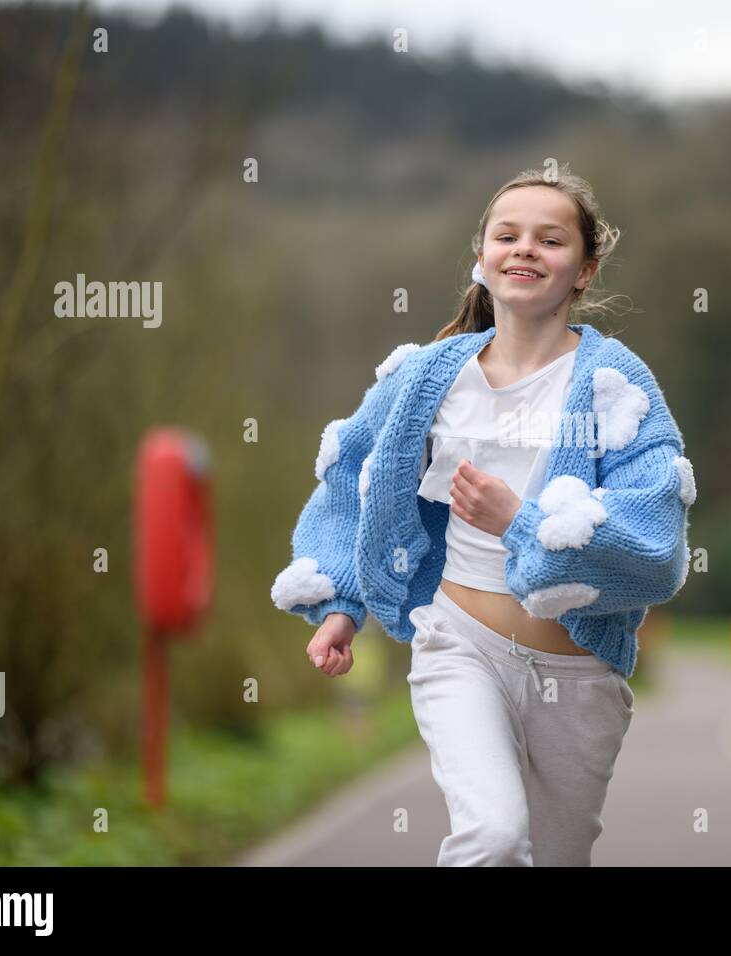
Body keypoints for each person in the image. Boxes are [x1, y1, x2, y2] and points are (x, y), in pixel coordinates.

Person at [271, 166, 697, 865]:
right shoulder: (428, 377)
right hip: (459, 646)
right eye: (508, 234)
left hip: (578, 673)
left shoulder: (615, 384)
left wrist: (521, 524)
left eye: (549, 239)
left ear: (584, 269)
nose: (525, 248)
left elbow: (656, 548)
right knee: (493, 839)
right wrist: (343, 601)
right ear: (482, 256)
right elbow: (353, 476)